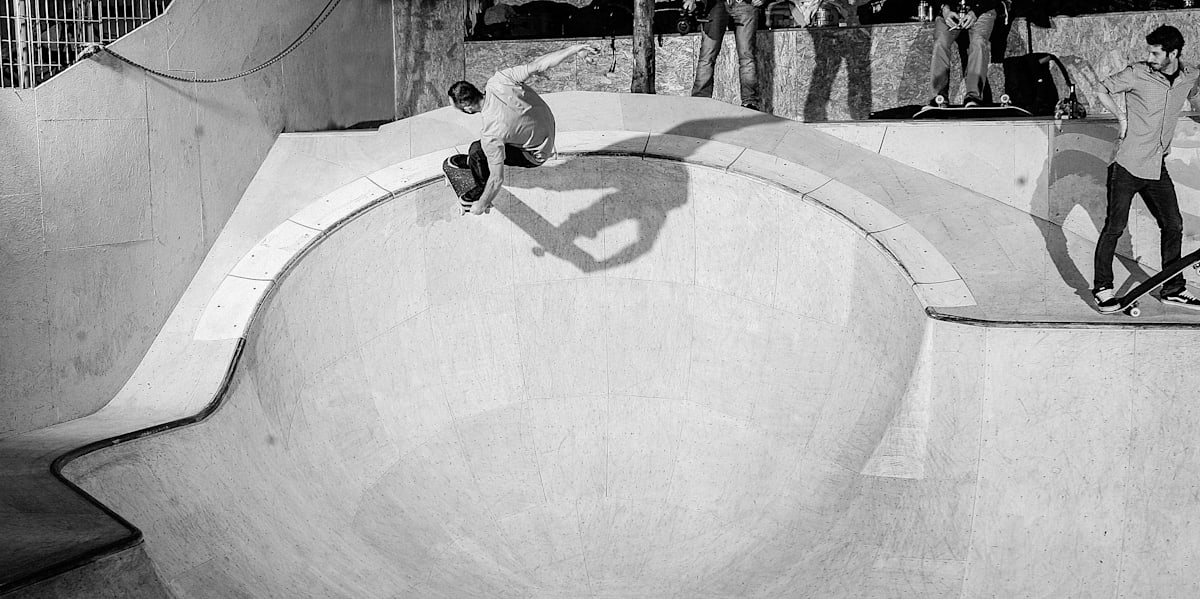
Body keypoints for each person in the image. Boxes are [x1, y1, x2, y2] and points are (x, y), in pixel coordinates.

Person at [1087, 25, 1200, 312]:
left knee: (1173, 224)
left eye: (1155, 53)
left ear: (1173, 53)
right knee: (1115, 227)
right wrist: (1121, 117)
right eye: (1149, 52)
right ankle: (1102, 289)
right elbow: (1101, 88)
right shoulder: (1137, 73)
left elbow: (1195, 94)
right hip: (1127, 165)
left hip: (1156, 167)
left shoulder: (1189, 75)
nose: (1149, 58)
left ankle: (1173, 288)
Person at [447, 43, 598, 215]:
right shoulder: (500, 80)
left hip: (535, 155)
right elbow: (539, 64)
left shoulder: (491, 134)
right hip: (546, 126)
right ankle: (478, 163)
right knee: (486, 150)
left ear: (467, 108)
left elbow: (497, 179)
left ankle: (480, 189)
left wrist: (481, 204)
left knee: (478, 149)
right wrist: (574, 49)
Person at [685, 0, 763, 110]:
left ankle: (750, 102)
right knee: (707, 56)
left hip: (744, 3)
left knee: (746, 56)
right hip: (716, 3)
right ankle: (700, 100)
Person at [929, 0, 999, 107]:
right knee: (940, 43)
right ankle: (938, 97)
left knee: (978, 42)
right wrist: (945, 9)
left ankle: (973, 96)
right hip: (951, 11)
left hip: (982, 9)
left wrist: (975, 11)